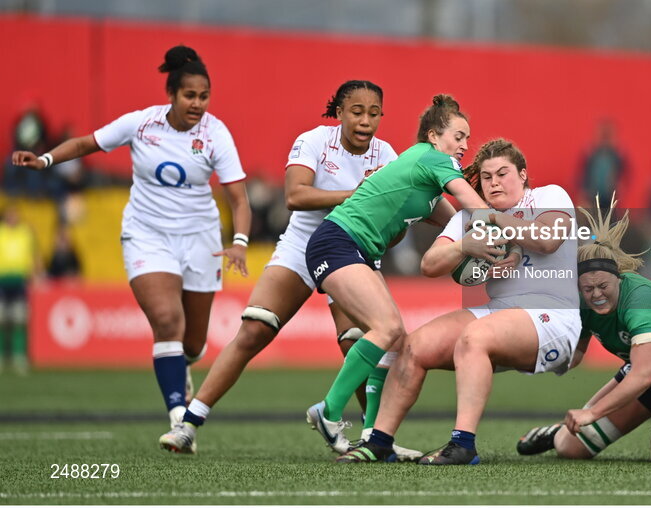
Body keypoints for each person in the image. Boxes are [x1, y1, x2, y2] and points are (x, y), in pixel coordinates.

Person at [157, 81, 415, 459]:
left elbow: (394, 225)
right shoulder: (313, 141)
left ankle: (374, 439)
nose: (365, 121)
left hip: (353, 252)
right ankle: (189, 425)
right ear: (339, 112)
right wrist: (359, 195)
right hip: (304, 247)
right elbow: (296, 196)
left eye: (374, 113)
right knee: (253, 330)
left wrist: (393, 226)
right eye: (356, 112)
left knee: (359, 341)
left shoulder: (388, 156)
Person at [11, 45, 251, 429]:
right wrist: (46, 160)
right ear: (170, 95)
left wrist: (239, 241)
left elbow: (238, 198)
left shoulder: (216, 134)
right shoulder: (141, 124)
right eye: (190, 95)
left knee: (193, 344)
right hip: (147, 233)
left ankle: (181, 365)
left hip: (200, 239)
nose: (198, 103)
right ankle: (178, 416)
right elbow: (86, 143)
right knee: (166, 319)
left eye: (204, 96)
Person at [334, 138, 581, 466]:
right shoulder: (471, 215)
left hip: (553, 315)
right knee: (413, 345)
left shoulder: (549, 195)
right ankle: (379, 442)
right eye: (487, 176)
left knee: (474, 336)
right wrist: (464, 246)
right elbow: (430, 264)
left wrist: (493, 221)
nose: (494, 182)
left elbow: (547, 240)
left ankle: (463, 444)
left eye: (503, 173)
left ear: (523, 175)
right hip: (500, 314)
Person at [304, 94, 490, 457]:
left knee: (394, 339)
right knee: (387, 329)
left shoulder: (423, 169)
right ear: (434, 136)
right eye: (459, 136)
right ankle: (328, 411)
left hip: (353, 249)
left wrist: (477, 240)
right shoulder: (433, 158)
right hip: (336, 242)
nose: (466, 145)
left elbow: (456, 220)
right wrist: (517, 228)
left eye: (468, 138)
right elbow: (475, 208)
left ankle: (376, 437)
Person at [516, 196, 651, 463]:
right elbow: (575, 355)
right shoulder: (581, 301)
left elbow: (643, 375)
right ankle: (557, 432)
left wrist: (592, 413)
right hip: (648, 375)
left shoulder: (641, 300)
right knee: (569, 447)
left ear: (618, 277)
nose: (596, 295)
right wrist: (526, 358)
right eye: (588, 289)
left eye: (603, 286)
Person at [0, 206, 43, 375]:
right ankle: (2, 356)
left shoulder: (25, 232)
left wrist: (36, 273)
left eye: (15, 214)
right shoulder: (1, 232)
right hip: (2, 281)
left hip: (19, 281)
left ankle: (19, 357)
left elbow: (35, 255)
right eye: (10, 214)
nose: (13, 217)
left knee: (19, 320)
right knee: (1, 321)